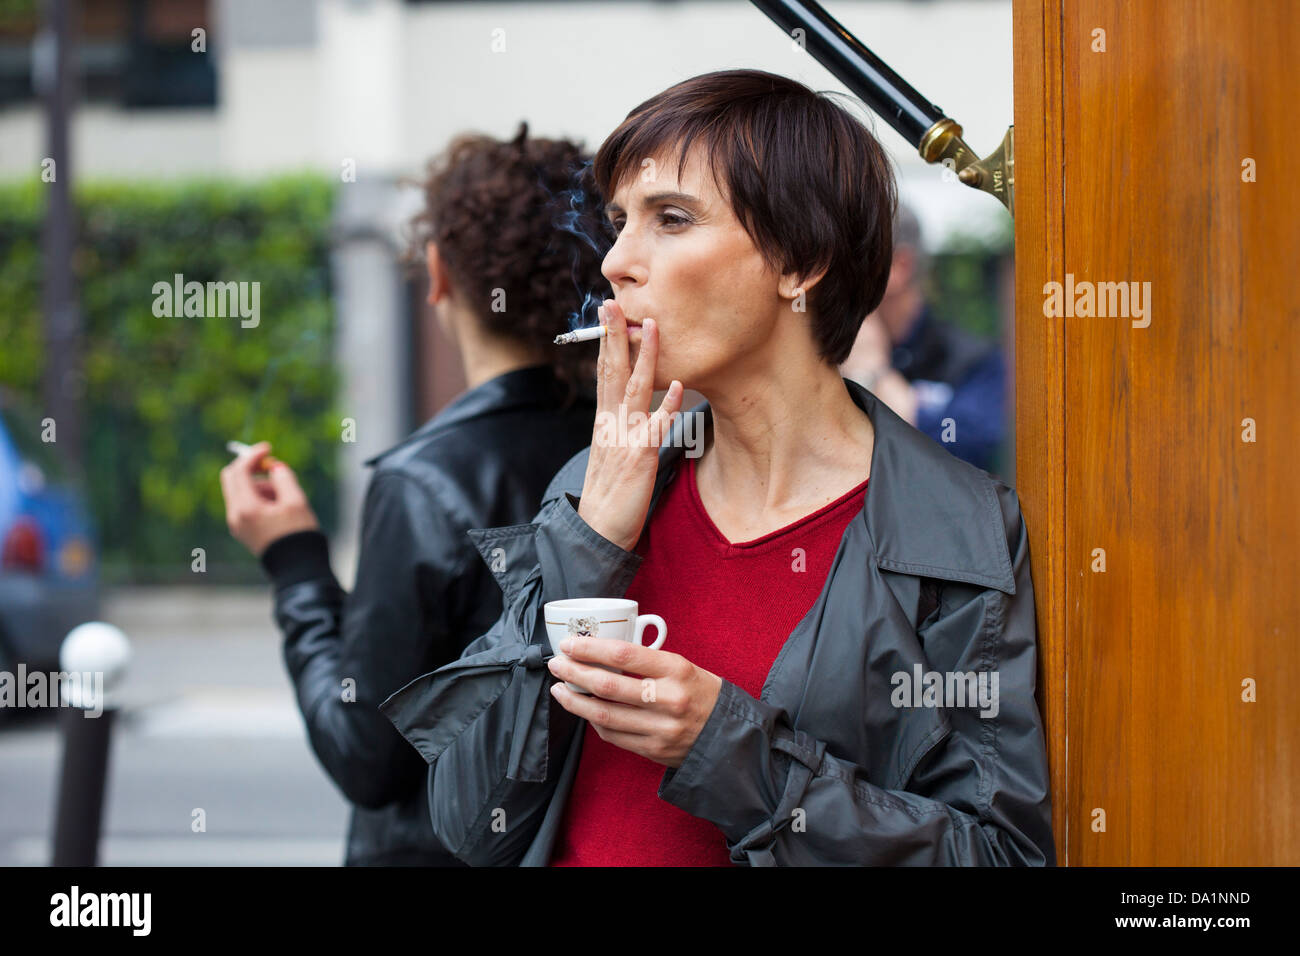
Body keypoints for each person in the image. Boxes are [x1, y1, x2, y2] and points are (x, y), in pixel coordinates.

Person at [382, 70, 1055, 866]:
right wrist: (587, 544)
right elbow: (470, 821)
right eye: (618, 222)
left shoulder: (955, 535)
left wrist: (736, 756)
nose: (617, 263)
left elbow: (997, 852)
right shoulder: (597, 487)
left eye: (671, 219)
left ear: (800, 261)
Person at [219, 122, 604, 865]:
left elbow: (366, 758)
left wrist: (295, 564)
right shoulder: (641, 450)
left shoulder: (427, 485)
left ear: (437, 273)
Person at [841, 202, 1007, 472]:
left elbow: (967, 456)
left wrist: (875, 373)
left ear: (898, 267)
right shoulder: (823, 354)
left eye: (847, 262)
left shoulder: (975, 359)